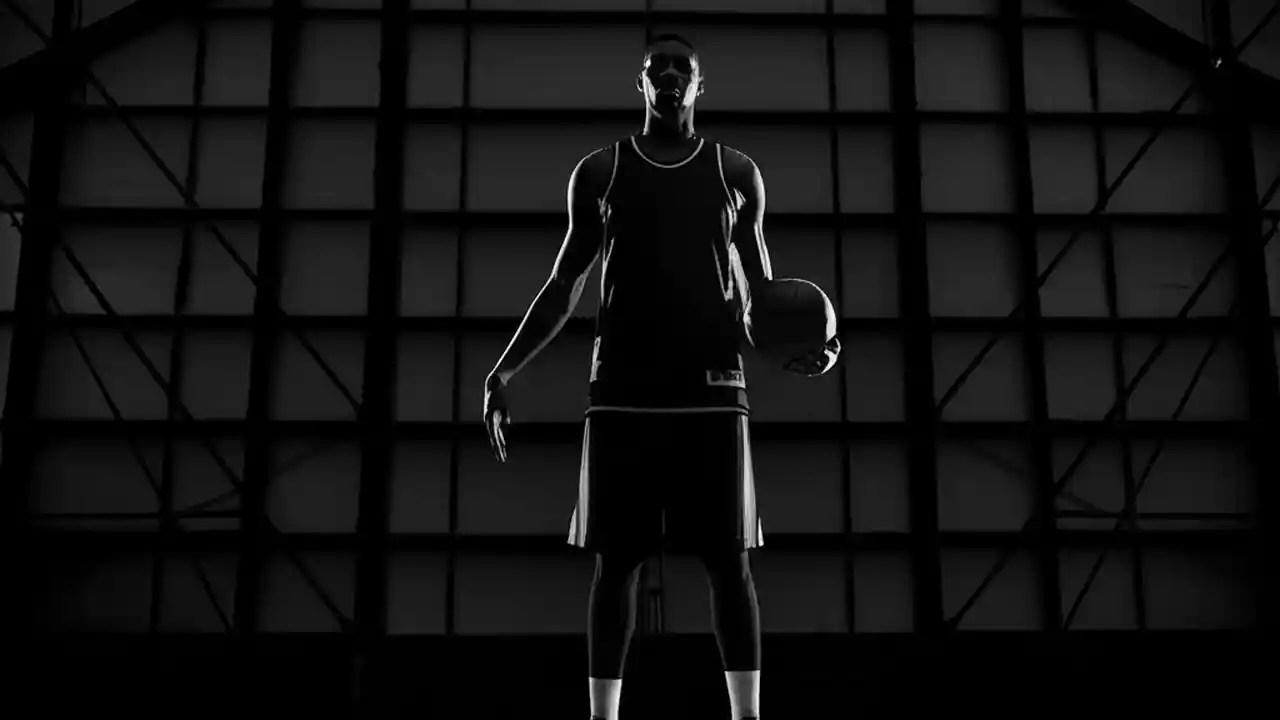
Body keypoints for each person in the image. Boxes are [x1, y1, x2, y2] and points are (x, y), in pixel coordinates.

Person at [482, 33, 840, 720]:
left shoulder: (736, 172)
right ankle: (603, 717)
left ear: (699, 87)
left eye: (683, 70)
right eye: (658, 70)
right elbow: (564, 283)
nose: (670, 78)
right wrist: (505, 368)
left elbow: (763, 296)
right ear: (641, 86)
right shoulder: (601, 171)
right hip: (622, 387)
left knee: (730, 563)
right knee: (615, 563)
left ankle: (747, 716)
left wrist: (816, 346)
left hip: (711, 388)